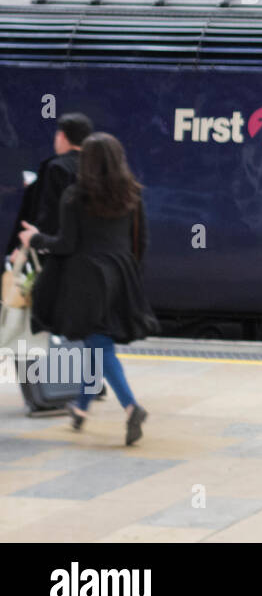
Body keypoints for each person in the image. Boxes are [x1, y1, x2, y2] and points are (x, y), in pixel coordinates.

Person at [17, 132, 158, 445]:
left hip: (87, 278)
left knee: (98, 343)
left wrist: (34, 239)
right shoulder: (132, 194)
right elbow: (142, 240)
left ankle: (132, 406)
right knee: (97, 342)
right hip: (121, 273)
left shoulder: (75, 196)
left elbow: (65, 244)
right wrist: (130, 271)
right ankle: (80, 410)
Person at [6, 113, 93, 267]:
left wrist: (28, 244)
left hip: (55, 249)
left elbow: (48, 213)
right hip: (87, 250)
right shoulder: (94, 166)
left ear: (62, 136)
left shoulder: (56, 167)